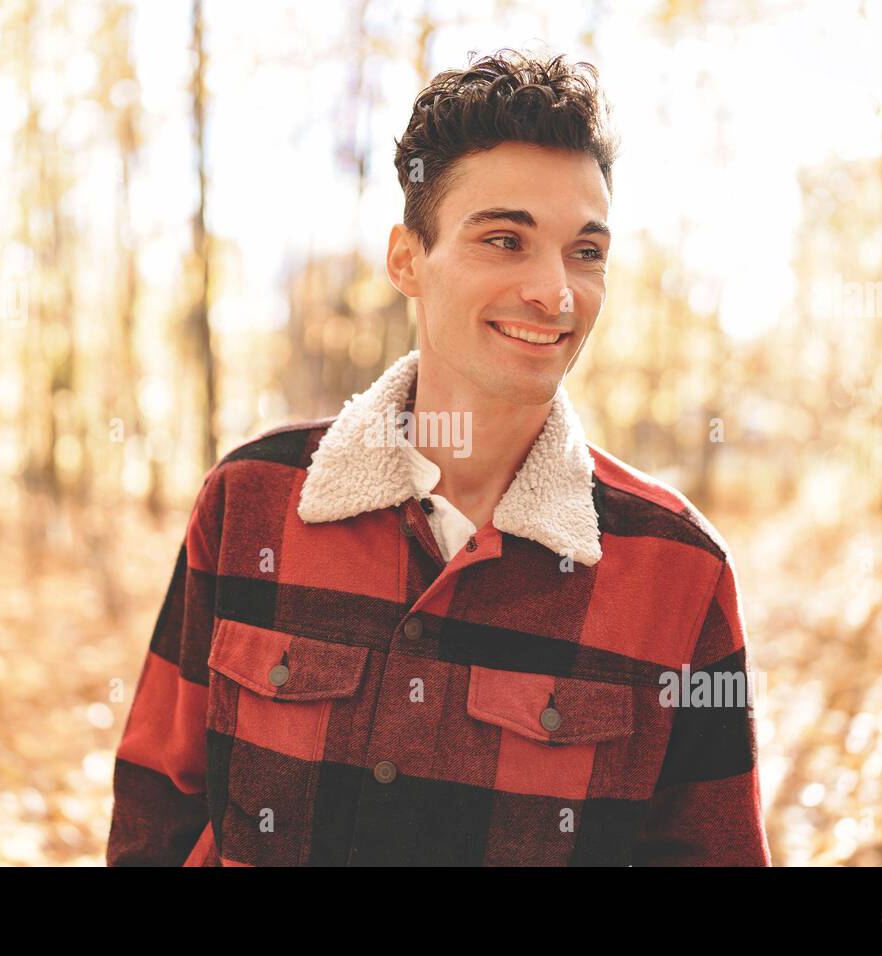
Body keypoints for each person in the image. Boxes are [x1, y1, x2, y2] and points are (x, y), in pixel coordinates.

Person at [107, 47, 770, 866]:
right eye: (504, 240)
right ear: (406, 259)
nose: (555, 291)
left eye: (586, 252)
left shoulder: (677, 570)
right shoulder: (251, 500)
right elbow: (154, 816)